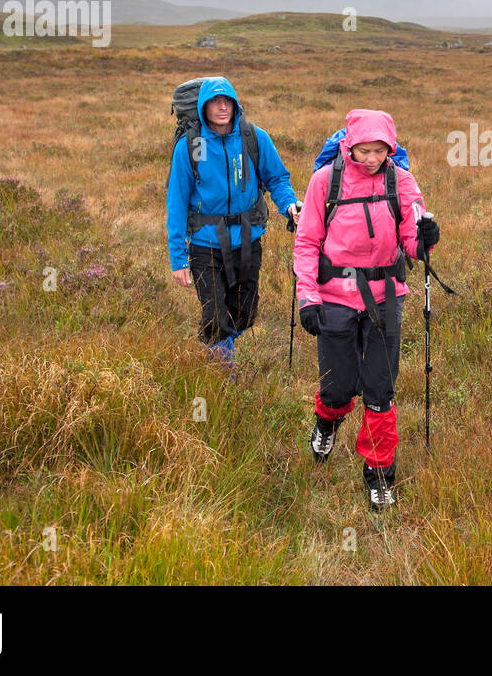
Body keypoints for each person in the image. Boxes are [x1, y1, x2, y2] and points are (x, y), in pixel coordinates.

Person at [292, 108, 440, 511]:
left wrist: (425, 241)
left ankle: (378, 474)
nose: (372, 158)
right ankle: (327, 420)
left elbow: (411, 243)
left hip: (386, 297)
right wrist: (308, 296)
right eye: (365, 150)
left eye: (380, 150)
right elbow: (306, 243)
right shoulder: (325, 180)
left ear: (390, 149)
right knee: (338, 387)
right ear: (349, 145)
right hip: (334, 296)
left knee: (379, 390)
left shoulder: (401, 181)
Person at [166, 77, 299, 373]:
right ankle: (224, 374)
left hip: (248, 239)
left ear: (236, 104)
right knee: (214, 315)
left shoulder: (254, 137)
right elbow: (177, 200)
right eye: (214, 102)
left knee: (245, 313)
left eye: (227, 100)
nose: (222, 107)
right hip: (204, 243)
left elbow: (277, 178)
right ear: (203, 107)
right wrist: (178, 257)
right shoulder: (192, 145)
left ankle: (215, 346)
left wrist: (289, 205)